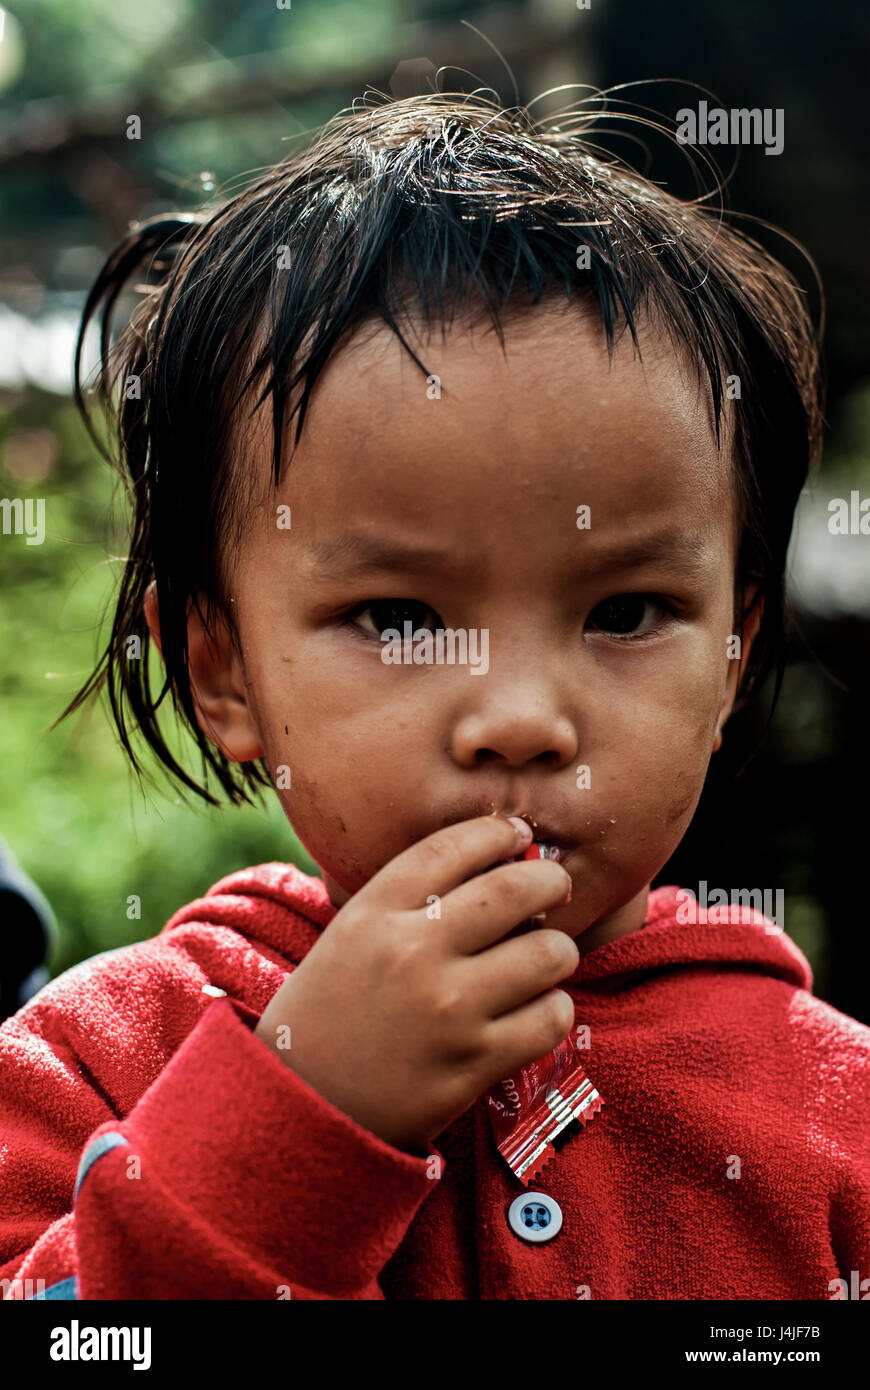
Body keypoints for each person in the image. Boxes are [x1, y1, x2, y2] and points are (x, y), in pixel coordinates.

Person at [1, 91, 867, 1301]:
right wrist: (298, 1123)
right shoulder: (97, 1064)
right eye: (400, 618)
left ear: (733, 654)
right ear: (222, 671)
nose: (521, 717)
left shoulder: (835, 1116)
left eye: (625, 613)